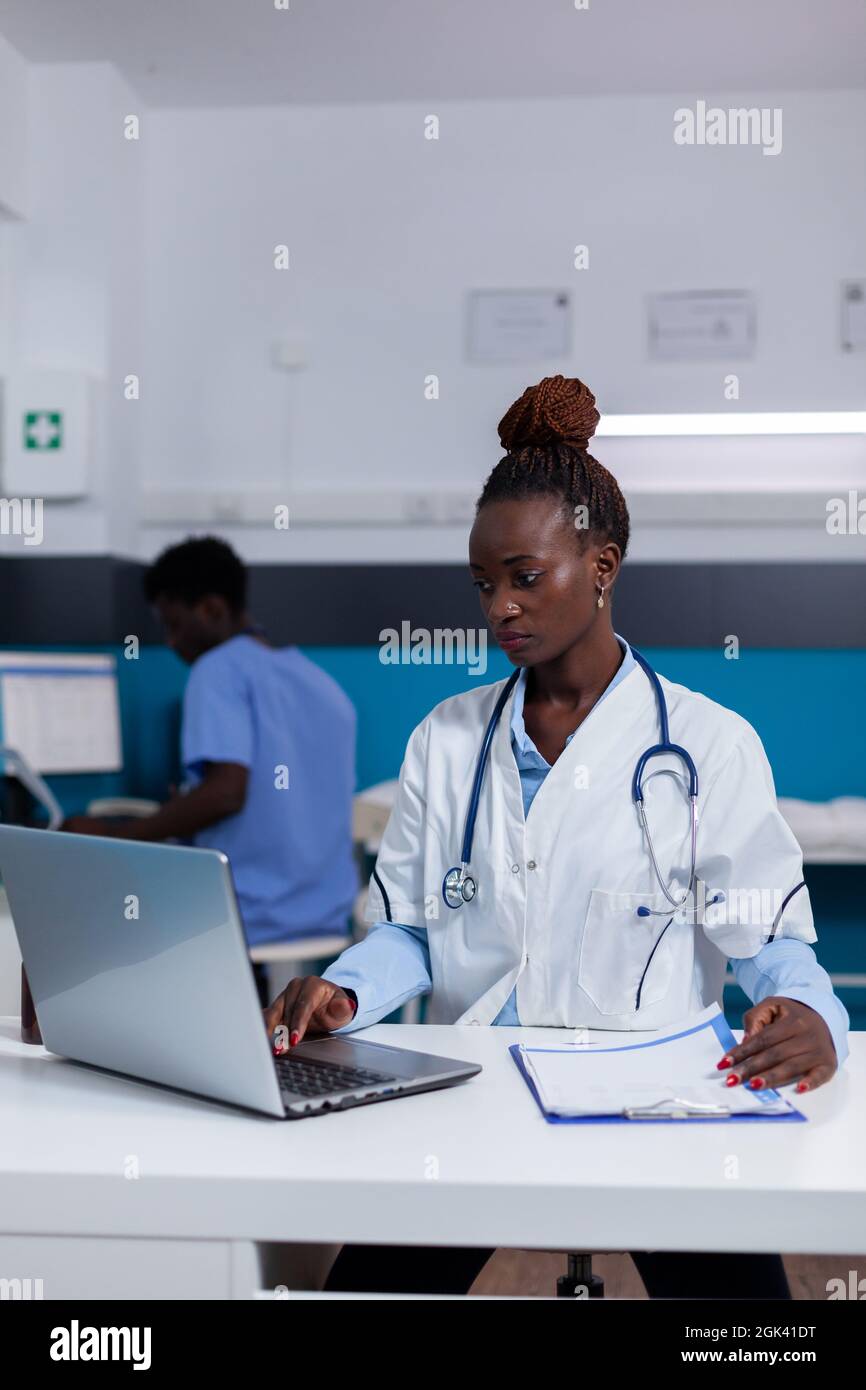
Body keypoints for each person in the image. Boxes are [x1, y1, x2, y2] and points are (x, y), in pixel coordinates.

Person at [264, 376, 848, 1298]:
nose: (500, 606)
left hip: (660, 1098)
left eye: (527, 578)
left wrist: (816, 1014)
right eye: (485, 583)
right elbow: (413, 929)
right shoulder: (445, 740)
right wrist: (345, 992)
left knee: (752, 1333)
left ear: (604, 567)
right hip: (475, 1087)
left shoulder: (707, 745)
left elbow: (766, 934)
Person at [63, 536, 358, 977]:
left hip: (249, 917)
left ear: (213, 610)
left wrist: (112, 833)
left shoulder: (217, 669)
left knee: (90, 901)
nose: (171, 642)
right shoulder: (322, 685)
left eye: (175, 625)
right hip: (325, 916)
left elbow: (225, 794)